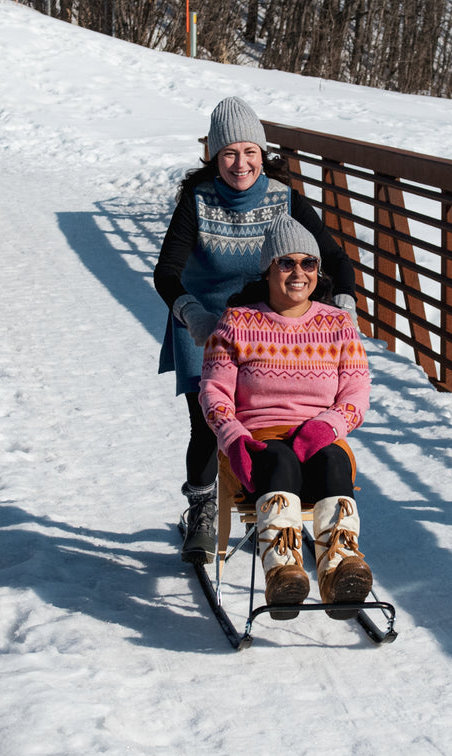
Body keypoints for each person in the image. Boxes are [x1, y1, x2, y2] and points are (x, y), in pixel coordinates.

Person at [154, 96, 357, 566]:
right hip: (205, 322)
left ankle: (288, 495)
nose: (240, 163)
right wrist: (192, 316)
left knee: (277, 415)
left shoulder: (283, 199)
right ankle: (204, 507)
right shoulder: (197, 201)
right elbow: (167, 271)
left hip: (269, 324)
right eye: (228, 153)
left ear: (262, 152)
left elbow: (336, 260)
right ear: (213, 156)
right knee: (209, 423)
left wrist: (340, 310)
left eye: (249, 152)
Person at [198, 213, 372, 619]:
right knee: (277, 457)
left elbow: (357, 392)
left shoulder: (337, 324)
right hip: (257, 442)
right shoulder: (237, 323)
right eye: (286, 263)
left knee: (332, 457)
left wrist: (326, 427)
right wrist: (233, 437)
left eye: (308, 263)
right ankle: (283, 571)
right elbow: (213, 391)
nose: (299, 273)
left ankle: (339, 567)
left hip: (319, 438)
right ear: (267, 270)